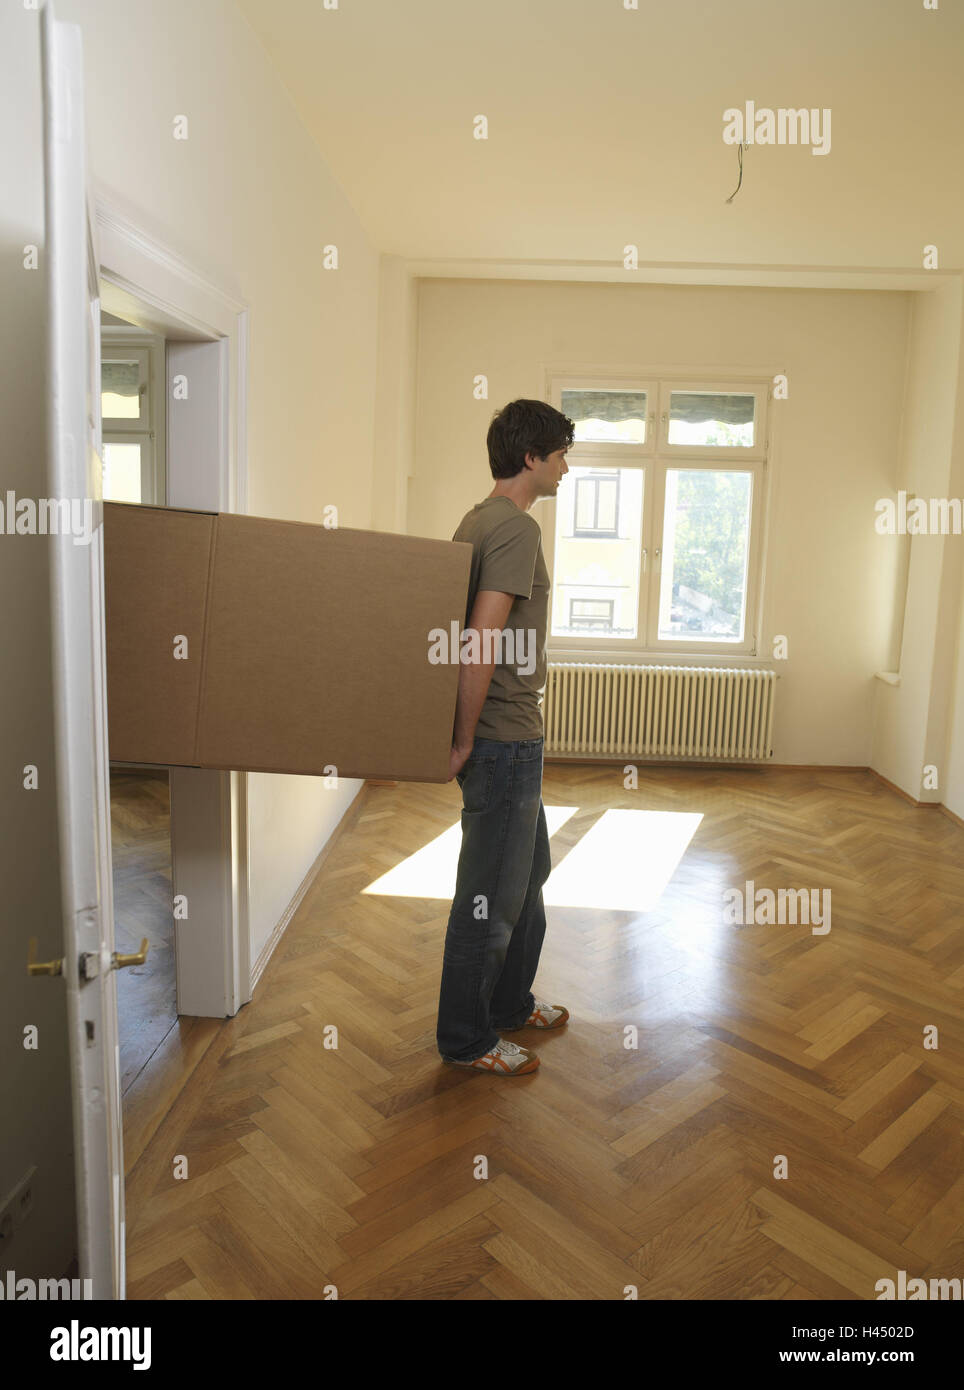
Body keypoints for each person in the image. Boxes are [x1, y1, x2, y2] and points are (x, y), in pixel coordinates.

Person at [436, 399, 574, 1075]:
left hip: (509, 738)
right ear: (531, 459)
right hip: (502, 741)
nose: (565, 469)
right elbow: (480, 638)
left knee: (529, 877)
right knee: (488, 897)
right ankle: (467, 1040)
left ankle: (511, 1002)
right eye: (559, 456)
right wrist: (464, 741)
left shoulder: (476, 519)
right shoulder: (516, 529)